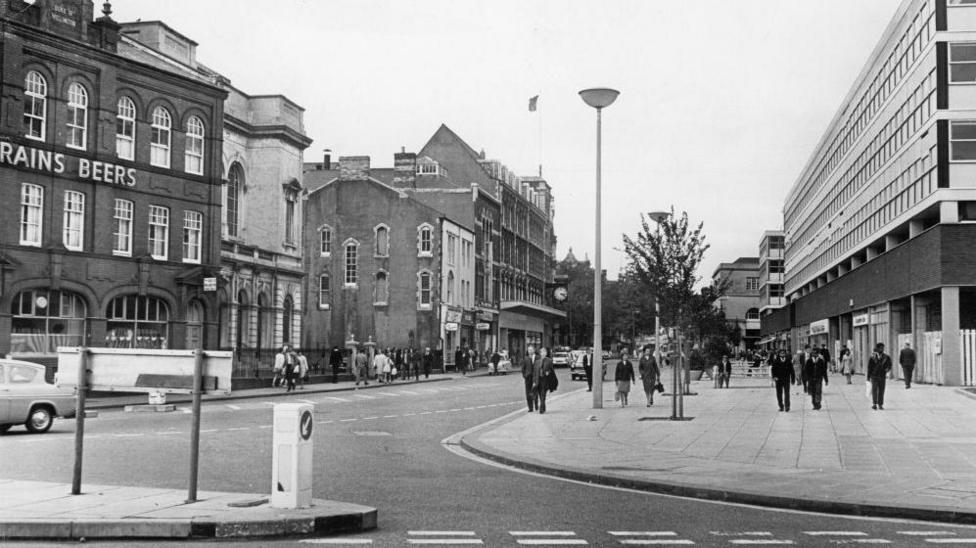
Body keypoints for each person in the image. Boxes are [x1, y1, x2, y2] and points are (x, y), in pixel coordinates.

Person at [867, 342, 892, 410]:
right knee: (874, 390)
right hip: (874, 376)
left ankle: (880, 404)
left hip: (882, 376)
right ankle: (874, 404)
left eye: (883, 348)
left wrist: (887, 369)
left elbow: (890, 365)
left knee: (881, 390)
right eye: (881, 348)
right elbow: (869, 367)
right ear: (877, 349)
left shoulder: (886, 357)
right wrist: (868, 377)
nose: (882, 349)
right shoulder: (872, 357)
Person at [532, 347, 555, 414]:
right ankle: (543, 407)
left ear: (546, 353)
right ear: (540, 353)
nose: (543, 353)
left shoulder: (549, 361)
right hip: (538, 380)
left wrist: (549, 372)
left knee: (543, 394)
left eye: (544, 352)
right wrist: (534, 381)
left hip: (545, 380)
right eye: (542, 352)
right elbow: (534, 372)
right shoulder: (537, 362)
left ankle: (541, 409)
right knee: (540, 395)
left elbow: (552, 371)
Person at [521, 346, 539, 412]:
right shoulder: (525, 358)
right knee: (528, 393)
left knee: (535, 392)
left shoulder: (537, 357)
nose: (530, 351)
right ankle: (530, 408)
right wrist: (525, 375)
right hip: (528, 378)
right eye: (529, 350)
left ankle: (536, 405)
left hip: (535, 378)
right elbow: (523, 368)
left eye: (531, 350)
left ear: (534, 350)